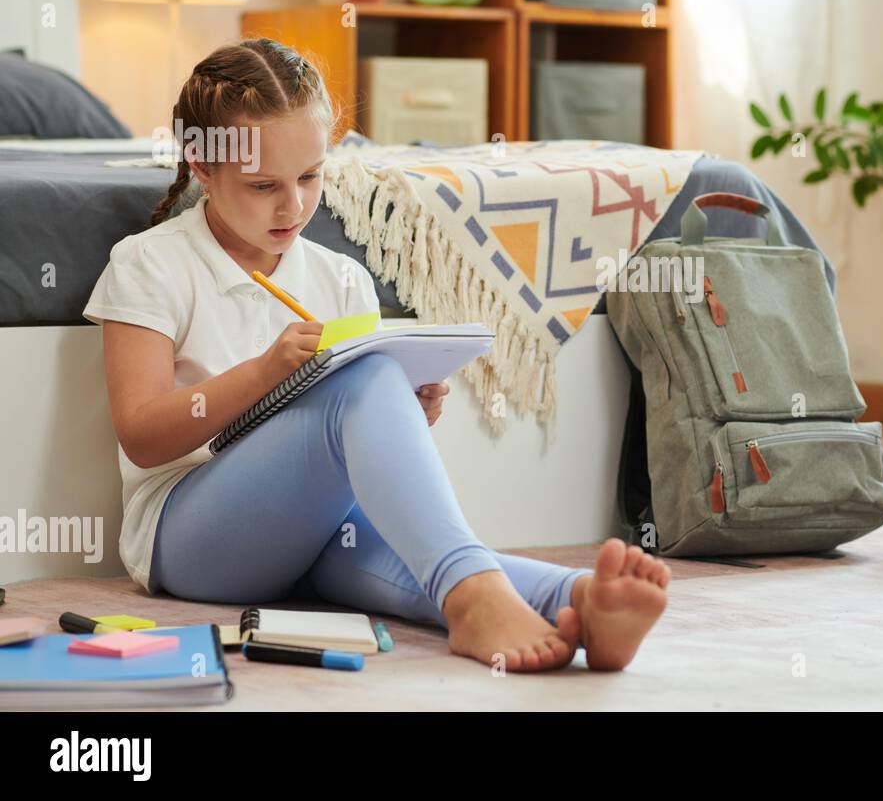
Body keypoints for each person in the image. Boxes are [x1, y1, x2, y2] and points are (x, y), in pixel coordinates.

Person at [82, 38, 669, 672]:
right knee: (364, 380)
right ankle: (477, 605)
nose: (294, 205)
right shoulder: (150, 263)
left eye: (310, 176)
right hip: (190, 535)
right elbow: (141, 436)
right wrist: (263, 373)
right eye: (263, 185)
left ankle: (577, 601)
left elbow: (346, 447)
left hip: (313, 533)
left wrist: (406, 409)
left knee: (408, 537)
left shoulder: (340, 278)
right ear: (203, 167)